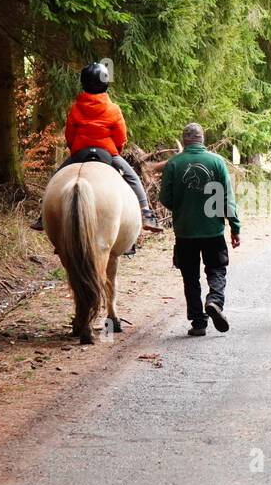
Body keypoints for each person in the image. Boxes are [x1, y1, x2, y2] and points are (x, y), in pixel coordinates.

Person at [158, 123, 242, 337]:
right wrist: (234, 227)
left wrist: (183, 207)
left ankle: (198, 322)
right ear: (202, 139)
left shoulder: (174, 164)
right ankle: (214, 301)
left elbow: (165, 198)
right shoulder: (216, 162)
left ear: (184, 140)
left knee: (190, 277)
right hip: (213, 231)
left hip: (185, 232)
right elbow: (227, 199)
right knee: (216, 270)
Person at [59, 61, 161, 232]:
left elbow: (69, 134)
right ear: (105, 83)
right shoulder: (113, 108)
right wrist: (116, 152)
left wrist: (74, 149)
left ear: (84, 84)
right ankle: (146, 213)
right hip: (107, 153)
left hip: (80, 152)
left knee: (57, 176)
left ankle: (42, 216)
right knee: (132, 178)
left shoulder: (76, 107)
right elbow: (121, 137)